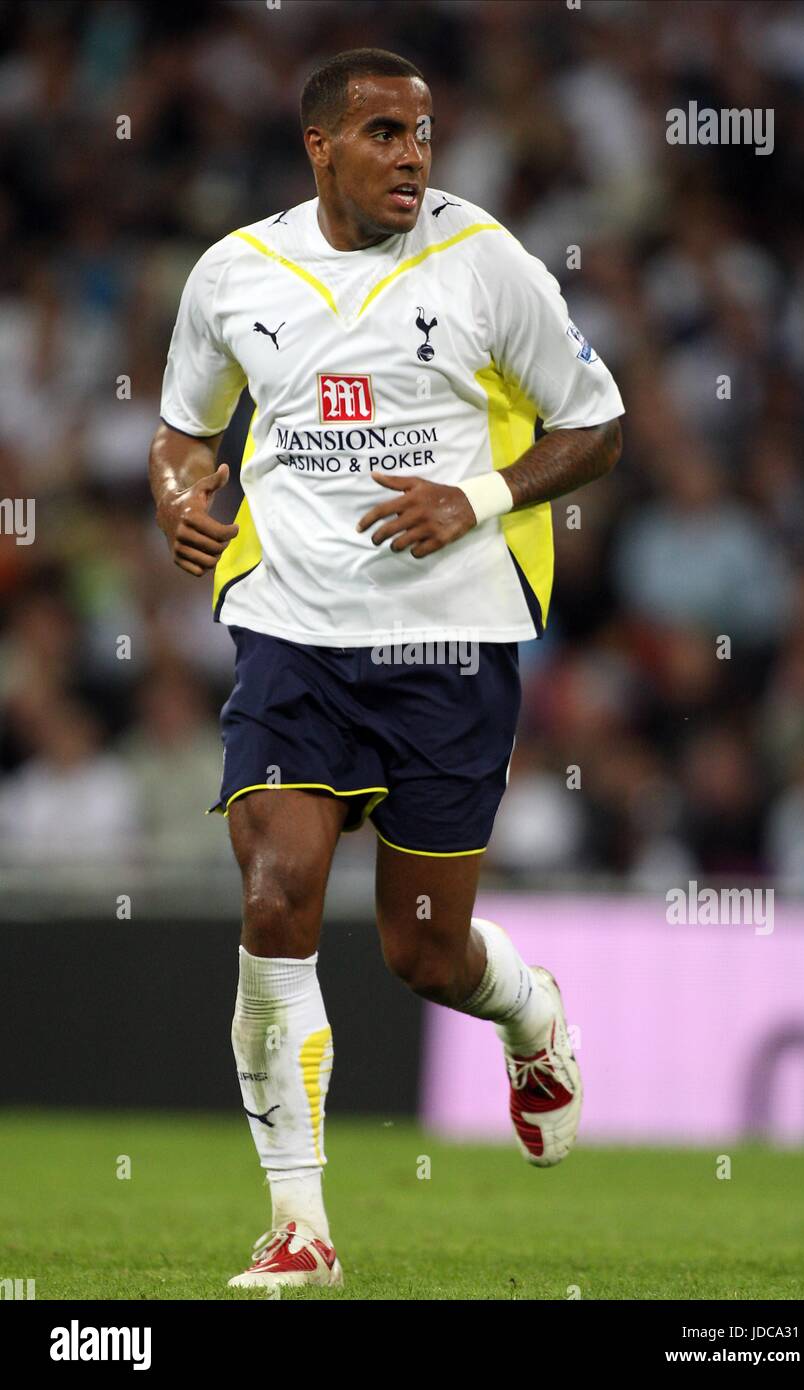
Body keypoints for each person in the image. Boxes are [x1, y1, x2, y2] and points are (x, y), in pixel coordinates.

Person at [149, 47, 624, 1291]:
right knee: (275, 894)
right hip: (292, 633)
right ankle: (299, 1226)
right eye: (383, 134)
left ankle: (529, 1013)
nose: (414, 154)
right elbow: (182, 430)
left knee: (422, 950)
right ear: (319, 145)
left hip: (447, 647)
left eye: (422, 132)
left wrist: (474, 496)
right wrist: (175, 500)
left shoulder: (485, 262)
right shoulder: (234, 275)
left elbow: (597, 423)